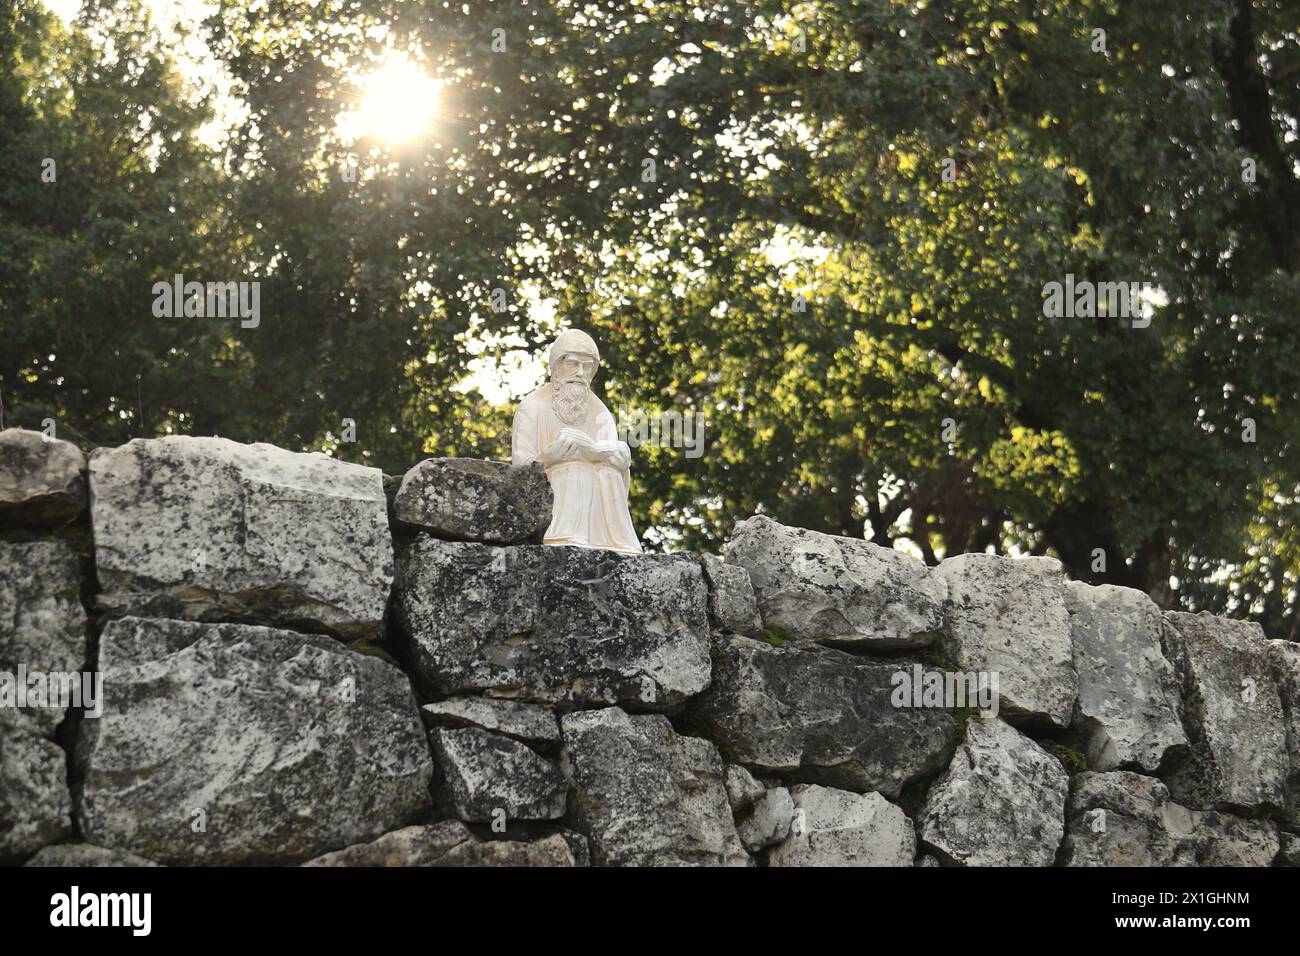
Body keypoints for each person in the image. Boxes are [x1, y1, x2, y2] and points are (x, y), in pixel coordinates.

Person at [511, 329, 642, 554]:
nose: (580, 372)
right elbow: (518, 469)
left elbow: (607, 453)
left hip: (598, 496)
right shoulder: (531, 407)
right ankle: (563, 539)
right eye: (573, 364)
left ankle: (617, 545)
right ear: (556, 366)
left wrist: (621, 463)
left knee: (609, 471)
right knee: (575, 468)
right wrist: (550, 457)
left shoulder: (600, 413)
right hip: (546, 493)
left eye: (587, 366)